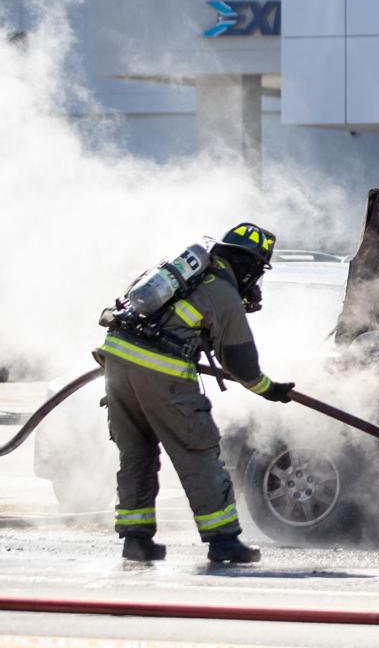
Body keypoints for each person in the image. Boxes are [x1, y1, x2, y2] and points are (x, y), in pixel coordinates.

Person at [94, 223, 294, 564]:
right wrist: (270, 389)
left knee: (136, 454)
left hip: (116, 364)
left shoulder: (181, 273)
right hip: (161, 374)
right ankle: (223, 540)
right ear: (250, 266)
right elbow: (241, 363)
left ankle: (136, 540)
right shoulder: (224, 294)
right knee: (197, 452)